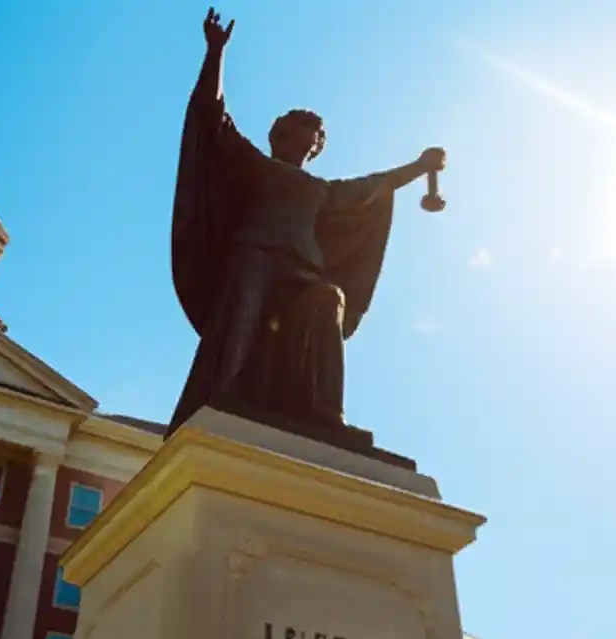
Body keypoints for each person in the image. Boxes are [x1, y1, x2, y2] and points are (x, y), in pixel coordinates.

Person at [168, 7, 446, 435]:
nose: (311, 138)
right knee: (243, 315)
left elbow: (371, 187)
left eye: (316, 136)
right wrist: (215, 53)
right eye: (304, 129)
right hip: (255, 257)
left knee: (329, 299)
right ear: (279, 133)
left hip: (302, 269)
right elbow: (211, 112)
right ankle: (223, 395)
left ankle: (325, 413)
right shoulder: (253, 163)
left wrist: (417, 166)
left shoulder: (320, 190)